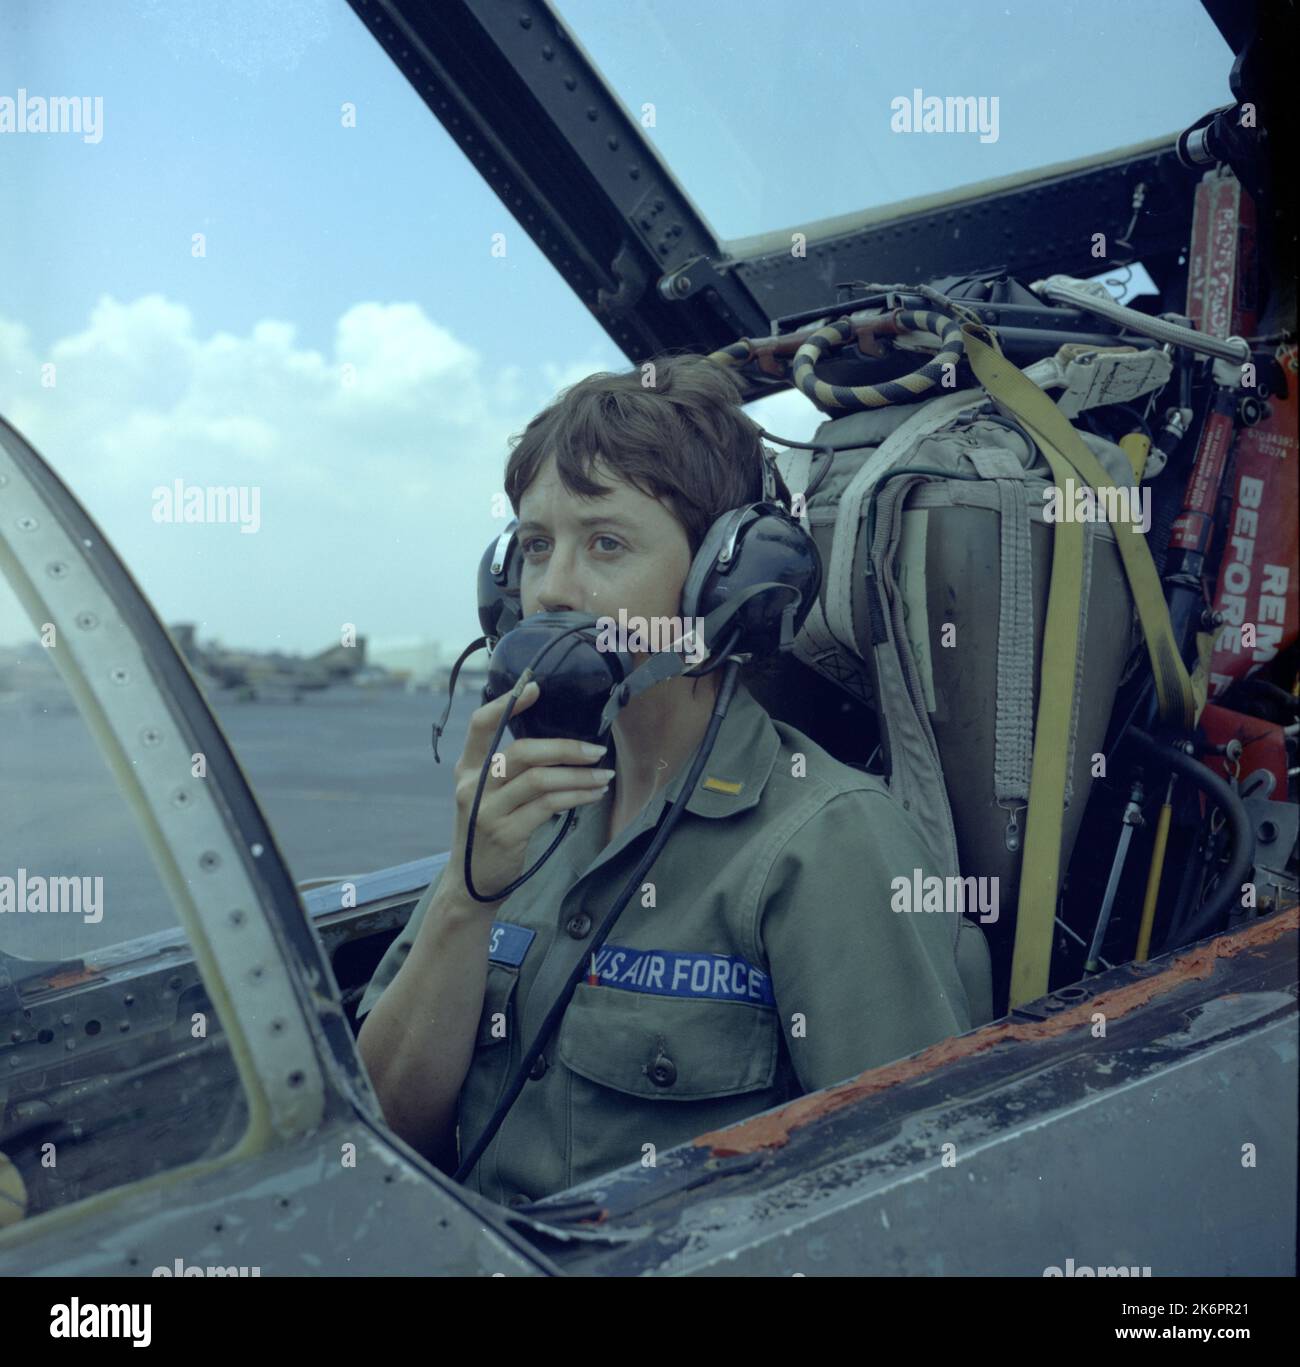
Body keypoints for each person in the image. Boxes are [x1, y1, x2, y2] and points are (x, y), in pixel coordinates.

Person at [356, 355, 992, 1207]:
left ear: (722, 584)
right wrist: (467, 901)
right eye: (536, 546)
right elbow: (379, 1136)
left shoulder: (827, 842)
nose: (550, 590)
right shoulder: (520, 813)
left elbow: (916, 1195)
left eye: (605, 543)